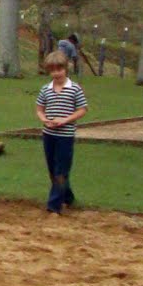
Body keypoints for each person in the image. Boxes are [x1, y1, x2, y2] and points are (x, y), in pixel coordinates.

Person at [35, 50, 88, 216]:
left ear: (66, 69)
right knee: (52, 169)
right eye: (52, 70)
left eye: (59, 69)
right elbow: (39, 109)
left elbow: (82, 109)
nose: (56, 73)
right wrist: (44, 119)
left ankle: (54, 207)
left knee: (61, 170)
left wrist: (66, 120)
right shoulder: (46, 89)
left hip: (65, 135)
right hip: (49, 134)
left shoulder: (74, 89)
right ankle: (68, 197)